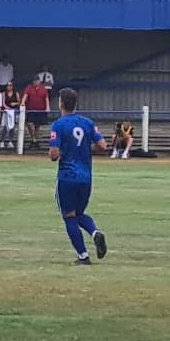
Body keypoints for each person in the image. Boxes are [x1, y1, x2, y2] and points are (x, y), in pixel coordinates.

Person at [48, 87, 108, 265]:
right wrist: (85, 150)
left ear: (61, 103)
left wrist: (63, 152)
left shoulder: (58, 125)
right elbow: (103, 145)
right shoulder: (87, 123)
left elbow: (53, 155)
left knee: (69, 216)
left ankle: (83, 256)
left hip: (67, 176)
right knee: (79, 213)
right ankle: (95, 232)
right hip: (86, 177)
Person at [21, 74, 52, 146]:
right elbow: (25, 95)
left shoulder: (43, 89)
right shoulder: (29, 87)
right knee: (29, 123)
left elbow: (46, 98)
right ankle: (33, 138)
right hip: (31, 109)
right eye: (34, 81)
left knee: (37, 125)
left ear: (39, 82)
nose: (35, 82)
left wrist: (48, 107)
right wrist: (23, 103)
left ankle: (34, 140)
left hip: (40, 109)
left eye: (37, 81)